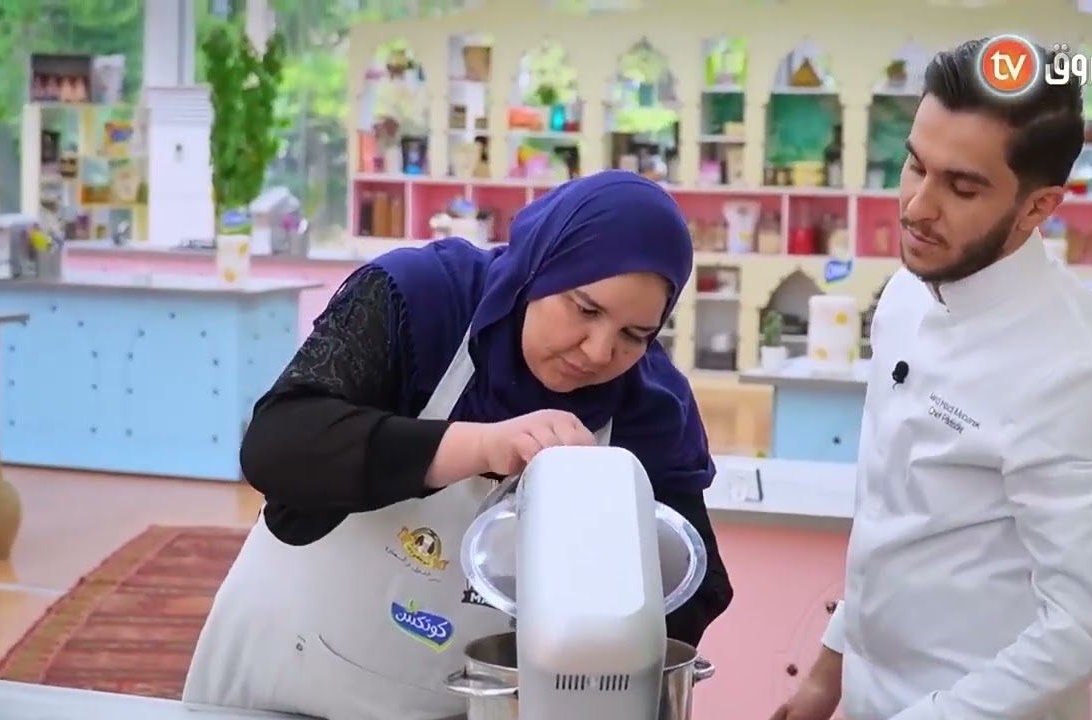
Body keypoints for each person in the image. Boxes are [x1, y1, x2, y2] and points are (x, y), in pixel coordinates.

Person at [182, 171, 734, 720]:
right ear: (541, 266)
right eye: (585, 309)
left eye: (634, 336)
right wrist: (479, 445)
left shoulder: (650, 410)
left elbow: (683, 592)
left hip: (457, 705)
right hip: (281, 677)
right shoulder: (421, 300)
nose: (597, 351)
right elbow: (279, 445)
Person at [769, 39, 1092, 720]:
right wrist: (826, 675)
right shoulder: (907, 293)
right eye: (914, 166)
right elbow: (894, 520)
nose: (918, 207)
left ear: (1038, 208)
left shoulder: (1085, 370)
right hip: (866, 694)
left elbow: (1078, 630)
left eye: (962, 186)